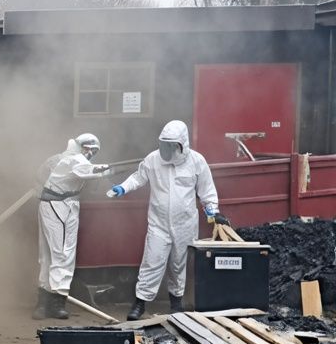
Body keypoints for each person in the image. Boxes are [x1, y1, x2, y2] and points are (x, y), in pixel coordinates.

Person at [108, 119, 223, 321]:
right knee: (152, 261)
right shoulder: (153, 159)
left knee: (178, 264)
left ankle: (176, 302)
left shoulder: (196, 161)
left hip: (185, 223)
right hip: (158, 223)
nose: (167, 150)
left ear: (182, 145)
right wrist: (123, 187)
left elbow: (207, 191)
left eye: (171, 146)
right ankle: (140, 303)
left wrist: (212, 211)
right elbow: (138, 177)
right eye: (164, 145)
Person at [33, 133, 110, 320]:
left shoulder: (63, 159)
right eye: (92, 151)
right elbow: (92, 171)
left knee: (51, 254)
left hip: (59, 204)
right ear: (86, 148)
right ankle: (54, 302)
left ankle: (45, 304)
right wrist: (109, 170)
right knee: (62, 254)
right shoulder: (74, 160)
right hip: (59, 206)